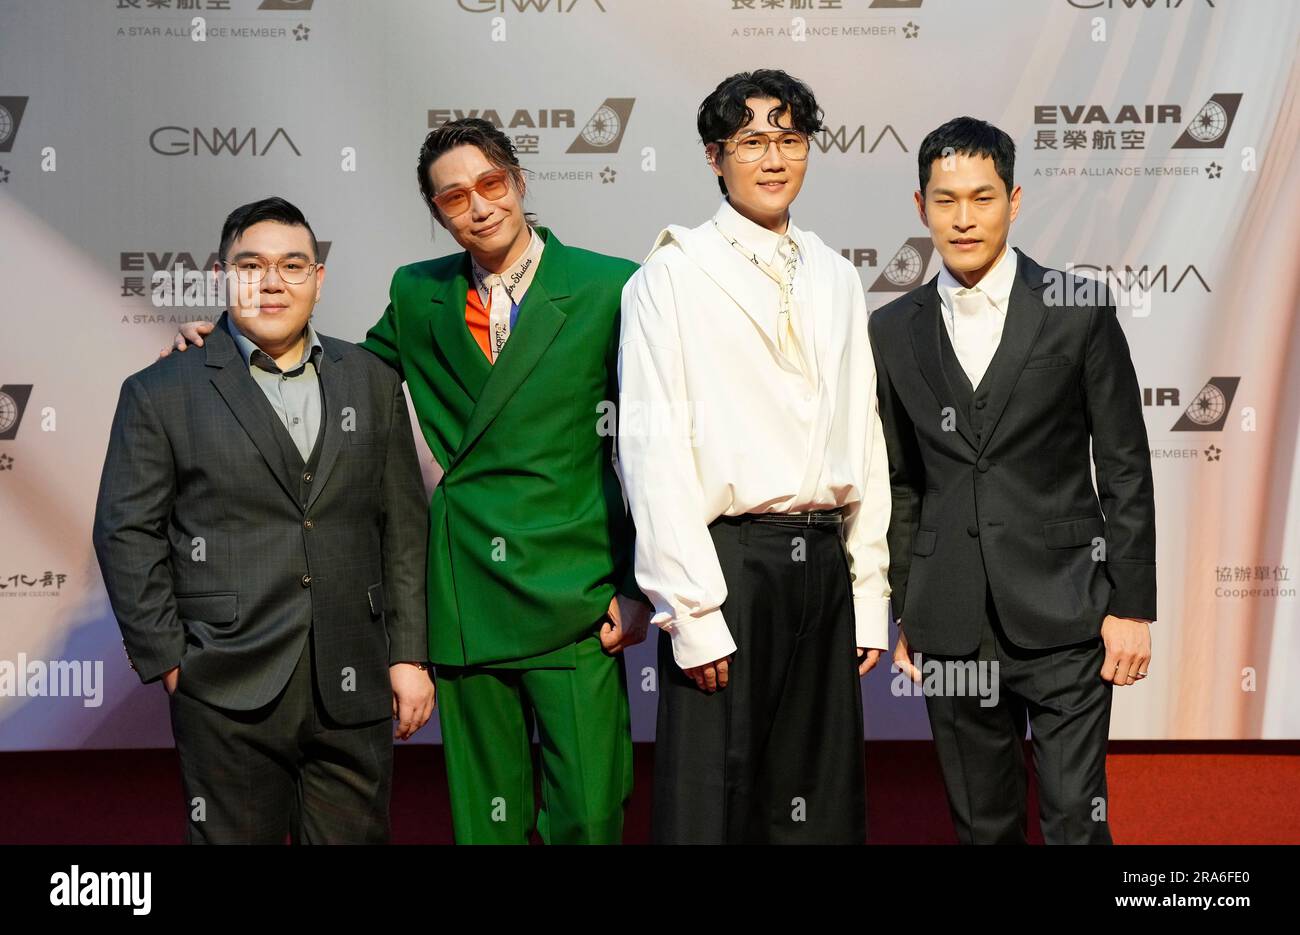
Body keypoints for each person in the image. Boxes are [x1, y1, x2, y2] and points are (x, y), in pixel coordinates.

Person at [167, 121, 653, 844]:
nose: (479, 207)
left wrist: (640, 583)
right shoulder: (417, 292)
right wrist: (229, 343)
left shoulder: (609, 284)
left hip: (577, 588)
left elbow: (657, 446)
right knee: (488, 820)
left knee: (589, 811)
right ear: (437, 212)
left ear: (519, 182)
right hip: (465, 594)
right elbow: (342, 376)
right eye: (454, 197)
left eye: (491, 185)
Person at [95, 197, 433, 844]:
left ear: (318, 278)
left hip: (353, 683)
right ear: (223, 274)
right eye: (252, 265)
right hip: (225, 686)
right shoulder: (162, 389)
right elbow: (125, 533)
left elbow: (403, 529)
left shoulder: (372, 380)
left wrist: (410, 653)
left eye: (293, 264)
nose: (273, 281)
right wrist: (172, 662)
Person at [617, 70, 892, 844]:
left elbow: (861, 433)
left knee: (820, 793)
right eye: (751, 141)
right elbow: (651, 446)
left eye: (789, 139)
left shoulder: (837, 275)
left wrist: (868, 589)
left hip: (823, 564)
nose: (773, 158)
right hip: (728, 565)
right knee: (714, 798)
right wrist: (692, 610)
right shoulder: (671, 274)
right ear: (715, 156)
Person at [869, 117, 1157, 844]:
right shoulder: (891, 327)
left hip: (1069, 618)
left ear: (1015, 199)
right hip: (951, 625)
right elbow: (901, 480)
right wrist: (905, 604)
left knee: (1072, 822)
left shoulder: (1077, 308)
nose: (964, 218)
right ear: (920, 206)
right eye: (945, 200)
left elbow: (1123, 463)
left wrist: (1132, 605)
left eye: (982, 197)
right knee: (983, 826)